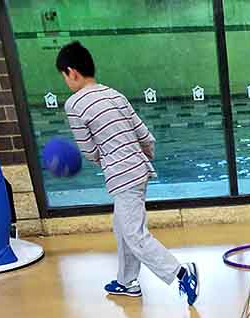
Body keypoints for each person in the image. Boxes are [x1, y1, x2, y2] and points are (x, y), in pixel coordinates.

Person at [55, 41, 199, 304]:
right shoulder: (114, 94)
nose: (66, 82)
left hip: (122, 175)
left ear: (71, 72)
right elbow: (145, 135)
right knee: (122, 227)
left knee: (134, 234)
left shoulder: (74, 104)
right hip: (139, 169)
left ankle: (181, 273)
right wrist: (139, 159)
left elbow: (88, 150)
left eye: (64, 77)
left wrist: (110, 161)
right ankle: (126, 281)